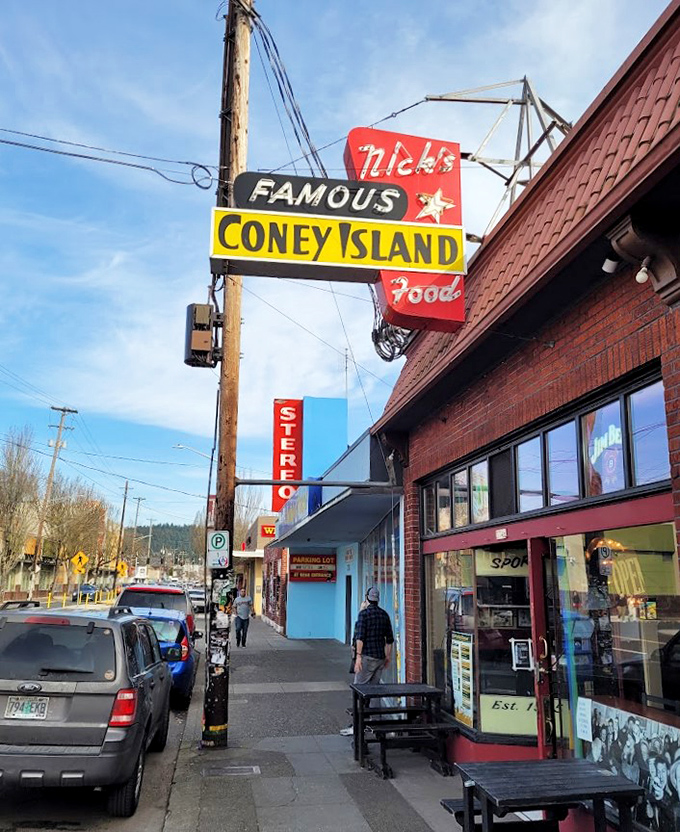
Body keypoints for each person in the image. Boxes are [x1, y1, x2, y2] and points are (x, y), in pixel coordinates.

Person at [353, 586, 394, 685]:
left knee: (359, 687)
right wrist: (387, 656)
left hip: (367, 657)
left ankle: (361, 701)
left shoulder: (363, 614)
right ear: (377, 600)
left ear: (367, 598)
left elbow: (360, 638)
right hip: (380, 658)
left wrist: (358, 657)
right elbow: (389, 640)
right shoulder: (384, 615)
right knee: (375, 689)